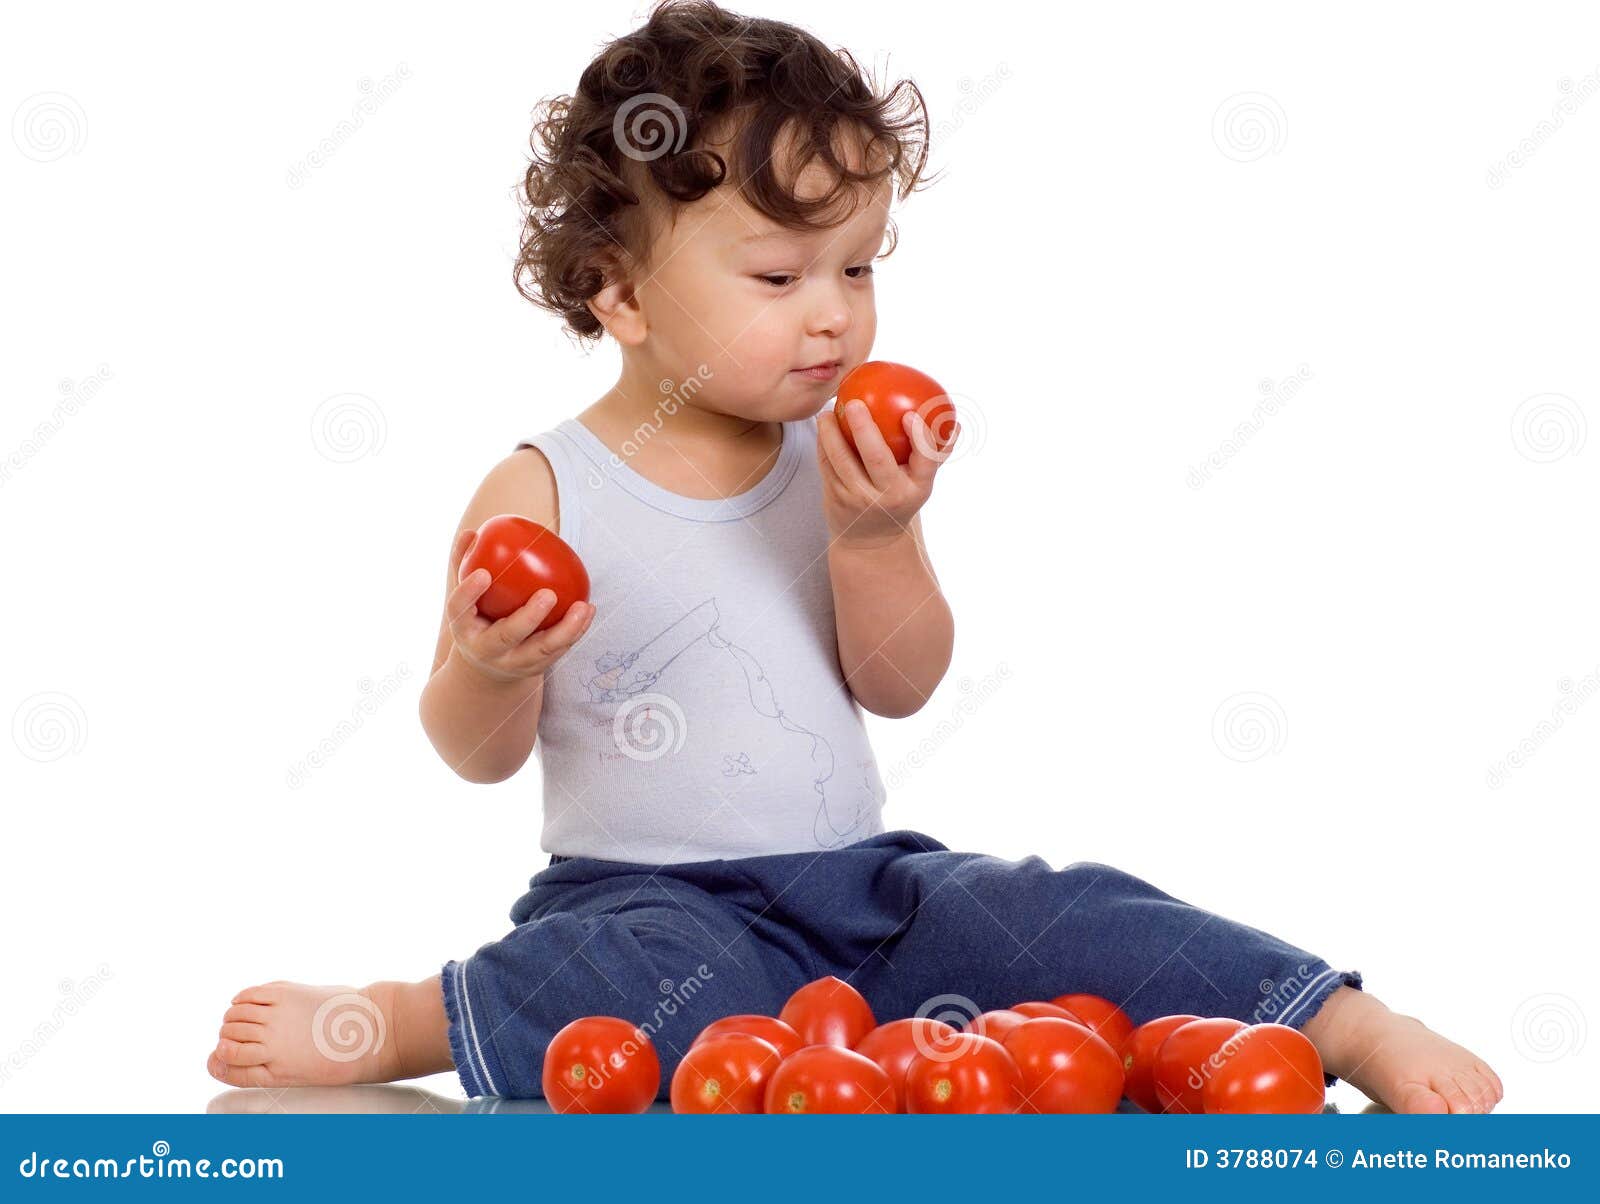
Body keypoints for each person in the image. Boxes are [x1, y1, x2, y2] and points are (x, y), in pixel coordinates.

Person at [208, 0, 1502, 1113]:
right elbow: (473, 753)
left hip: (862, 891)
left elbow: (899, 683)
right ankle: (417, 1018)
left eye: (860, 266)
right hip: (638, 902)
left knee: (1054, 912)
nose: (836, 313)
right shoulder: (545, 490)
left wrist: (878, 532)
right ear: (622, 295)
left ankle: (1338, 1025)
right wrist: (491, 666)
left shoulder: (832, 455)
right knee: (639, 992)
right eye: (779, 276)